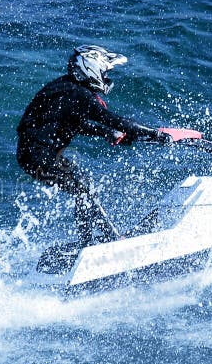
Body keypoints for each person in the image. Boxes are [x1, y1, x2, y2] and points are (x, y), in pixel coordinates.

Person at [16, 45, 170, 246]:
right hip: (37, 155)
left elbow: (74, 123)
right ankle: (104, 241)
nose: (106, 78)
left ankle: (90, 242)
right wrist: (154, 134)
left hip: (37, 153)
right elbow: (113, 120)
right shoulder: (78, 93)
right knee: (84, 188)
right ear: (91, 69)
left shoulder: (67, 87)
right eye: (104, 73)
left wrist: (107, 134)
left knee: (84, 185)